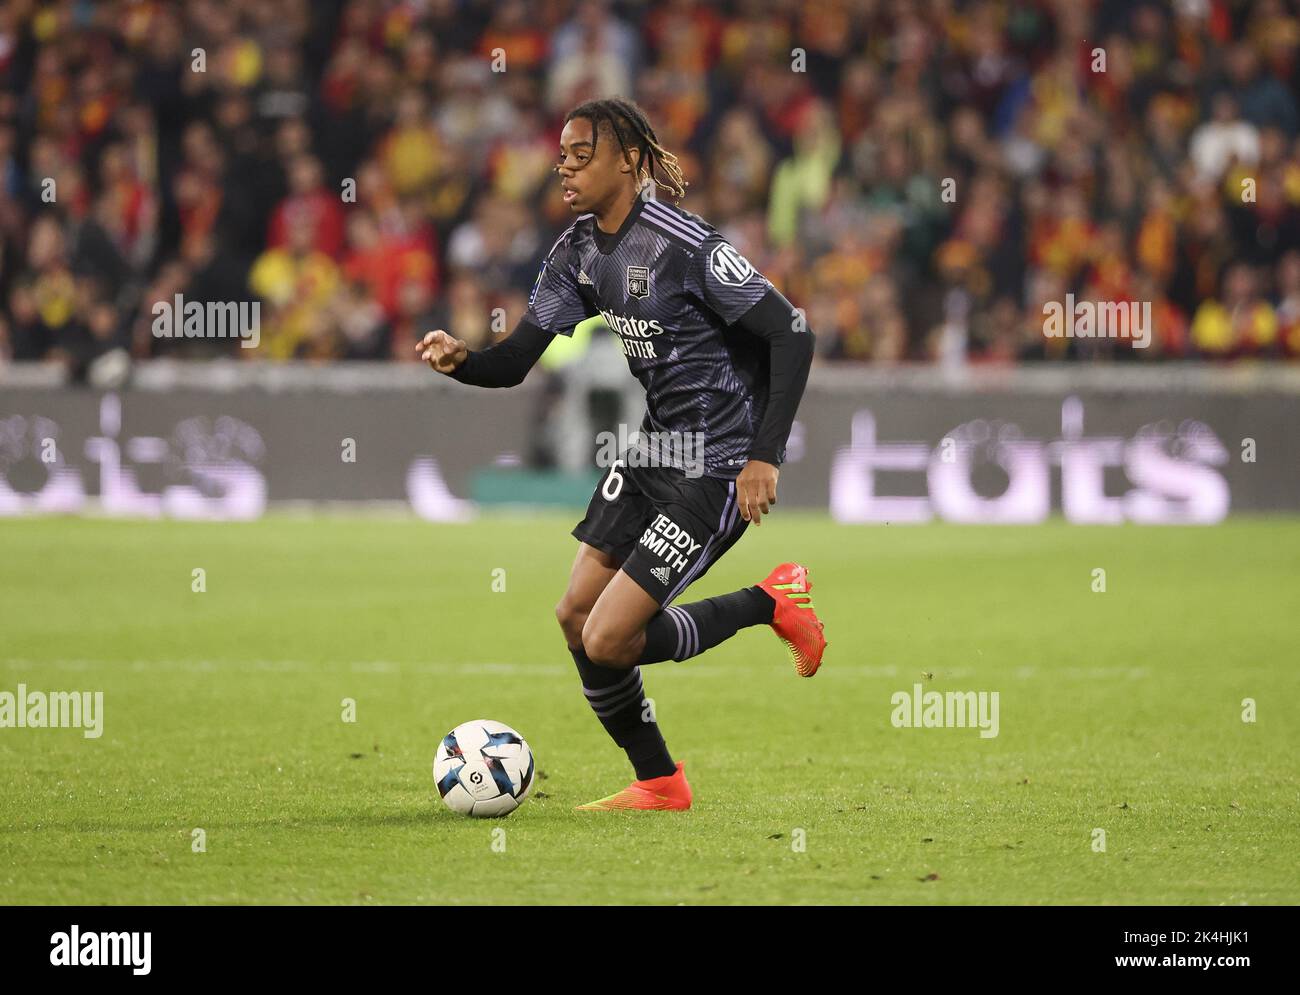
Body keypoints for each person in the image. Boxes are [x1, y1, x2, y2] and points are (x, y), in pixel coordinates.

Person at [418, 98, 826, 811]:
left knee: (610, 638)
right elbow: (517, 360)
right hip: (654, 446)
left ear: (629, 161)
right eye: (563, 154)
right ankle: (660, 781)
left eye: (582, 154)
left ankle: (769, 602)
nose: (565, 167)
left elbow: (793, 333)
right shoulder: (576, 249)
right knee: (575, 615)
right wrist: (463, 361)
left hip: (718, 460)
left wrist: (765, 455)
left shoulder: (685, 244)